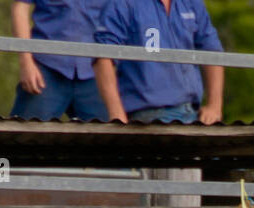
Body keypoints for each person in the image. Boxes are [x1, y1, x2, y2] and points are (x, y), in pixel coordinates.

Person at [93, 0, 224, 124]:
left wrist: (215, 106)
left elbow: (211, 49)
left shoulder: (191, 2)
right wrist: (117, 114)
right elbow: (103, 57)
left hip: (192, 113)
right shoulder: (124, 3)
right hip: (146, 115)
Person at [10, 0, 109, 122]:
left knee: (108, 133)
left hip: (95, 71)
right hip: (45, 69)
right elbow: (20, 8)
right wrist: (26, 62)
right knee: (24, 132)